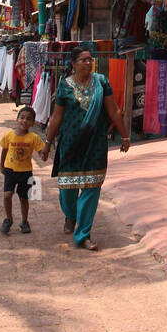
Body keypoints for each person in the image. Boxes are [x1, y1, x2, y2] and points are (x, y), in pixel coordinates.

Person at [42, 47, 130, 251]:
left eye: (90, 60)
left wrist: (124, 135)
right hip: (70, 144)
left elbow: (114, 111)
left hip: (95, 144)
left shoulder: (101, 82)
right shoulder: (64, 86)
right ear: (73, 63)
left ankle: (83, 234)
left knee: (92, 188)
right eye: (83, 60)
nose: (89, 63)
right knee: (67, 189)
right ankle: (71, 215)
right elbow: (56, 117)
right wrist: (47, 143)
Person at [0, 105, 46, 235]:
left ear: (32, 123)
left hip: (25, 172)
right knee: (7, 195)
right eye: (22, 117)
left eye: (28, 119)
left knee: (24, 198)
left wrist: (44, 153)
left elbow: (42, 151)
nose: (24, 121)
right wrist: (1, 165)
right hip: (10, 170)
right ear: (17, 119)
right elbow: (4, 150)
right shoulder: (9, 135)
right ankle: (8, 219)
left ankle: (24, 221)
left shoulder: (34, 138)